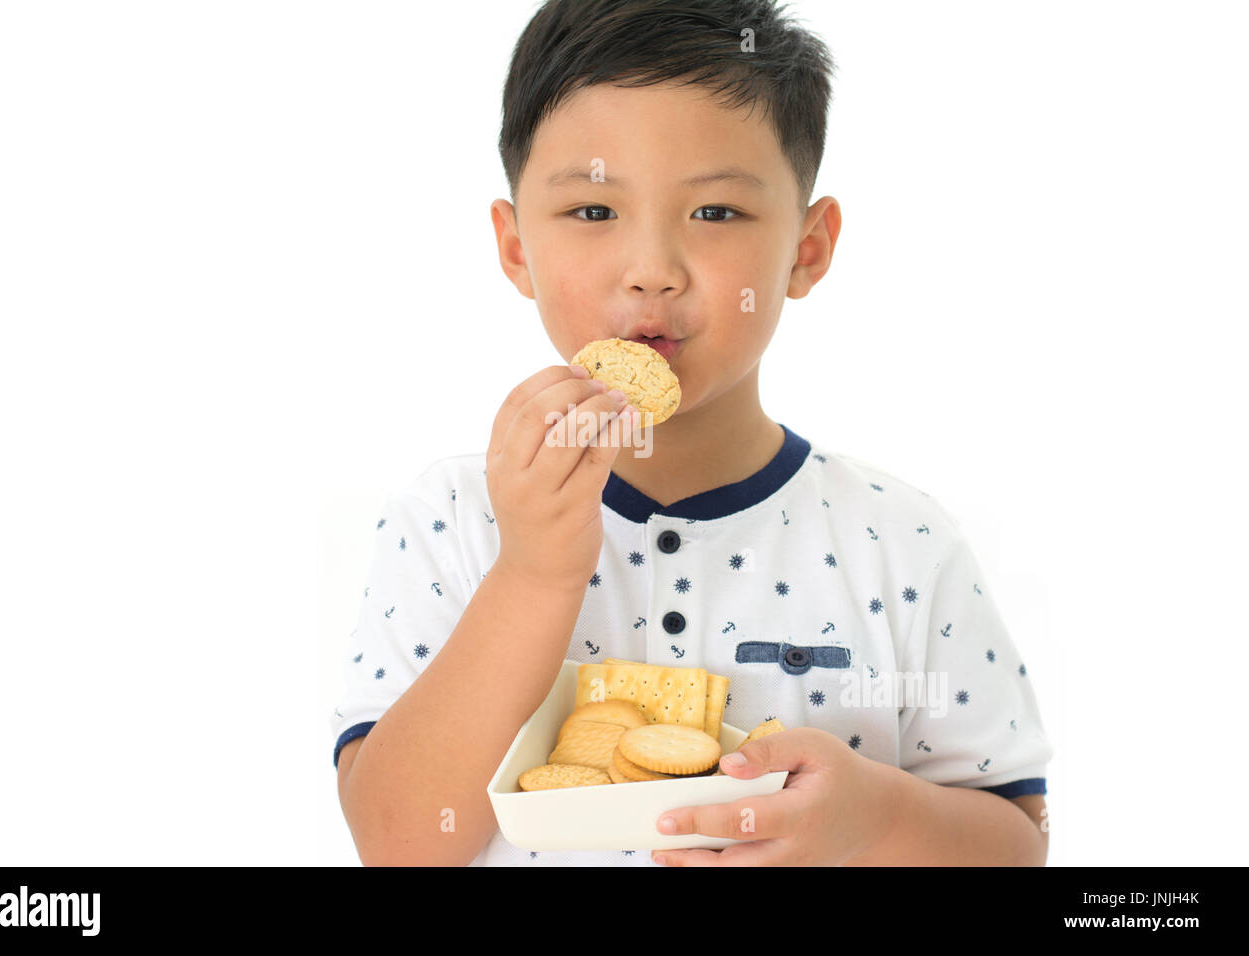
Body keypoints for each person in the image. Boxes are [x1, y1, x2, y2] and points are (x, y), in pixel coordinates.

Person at [331, 0, 1052, 866]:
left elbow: (1017, 844)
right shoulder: (449, 521)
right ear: (516, 246)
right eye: (593, 212)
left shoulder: (902, 546)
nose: (651, 273)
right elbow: (400, 844)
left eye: (715, 213)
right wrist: (532, 573)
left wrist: (877, 821)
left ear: (807, 250)